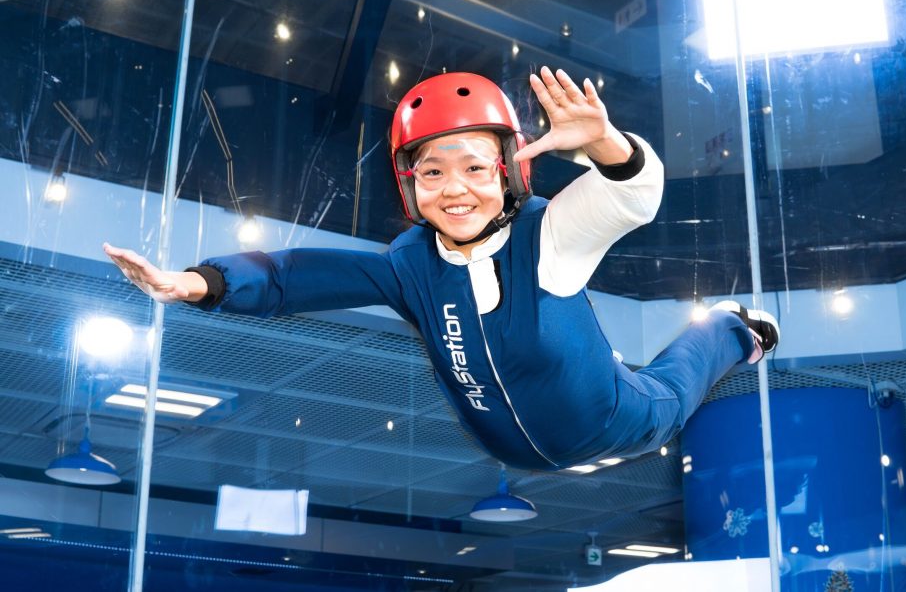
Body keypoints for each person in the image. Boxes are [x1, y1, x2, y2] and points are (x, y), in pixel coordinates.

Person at [104, 67, 779, 471]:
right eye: (432, 171)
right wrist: (196, 282)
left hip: (612, 421)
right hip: (505, 450)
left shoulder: (548, 236)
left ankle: (737, 329)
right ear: (410, 184)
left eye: (475, 167)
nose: (454, 189)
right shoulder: (411, 265)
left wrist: (604, 142)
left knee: (678, 382)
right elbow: (292, 277)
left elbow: (633, 197)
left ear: (508, 170)